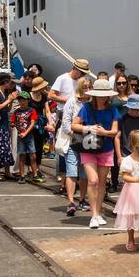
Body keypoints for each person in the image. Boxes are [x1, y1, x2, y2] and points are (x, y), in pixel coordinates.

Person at [73, 78, 120, 228]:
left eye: (104, 94)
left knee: (101, 182)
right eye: (100, 94)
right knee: (93, 180)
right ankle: (94, 215)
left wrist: (103, 132)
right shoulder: (86, 107)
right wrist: (89, 128)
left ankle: (98, 213)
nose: (102, 97)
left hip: (106, 148)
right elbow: (74, 125)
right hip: (88, 147)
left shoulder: (113, 109)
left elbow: (114, 132)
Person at [57, 78, 91, 216]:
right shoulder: (72, 102)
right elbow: (65, 124)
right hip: (72, 141)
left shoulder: (91, 103)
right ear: (80, 88)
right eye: (85, 87)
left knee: (84, 173)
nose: (88, 90)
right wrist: (77, 134)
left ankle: (82, 200)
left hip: (87, 142)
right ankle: (71, 202)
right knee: (72, 171)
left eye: (89, 87)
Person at [14, 77, 48, 183]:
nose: (22, 102)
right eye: (20, 100)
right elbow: (14, 122)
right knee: (23, 154)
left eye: (23, 100)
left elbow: (36, 120)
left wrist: (25, 132)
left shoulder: (40, 101)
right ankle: (23, 174)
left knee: (35, 152)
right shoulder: (17, 111)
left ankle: (35, 172)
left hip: (33, 131)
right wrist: (17, 128)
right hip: (23, 134)